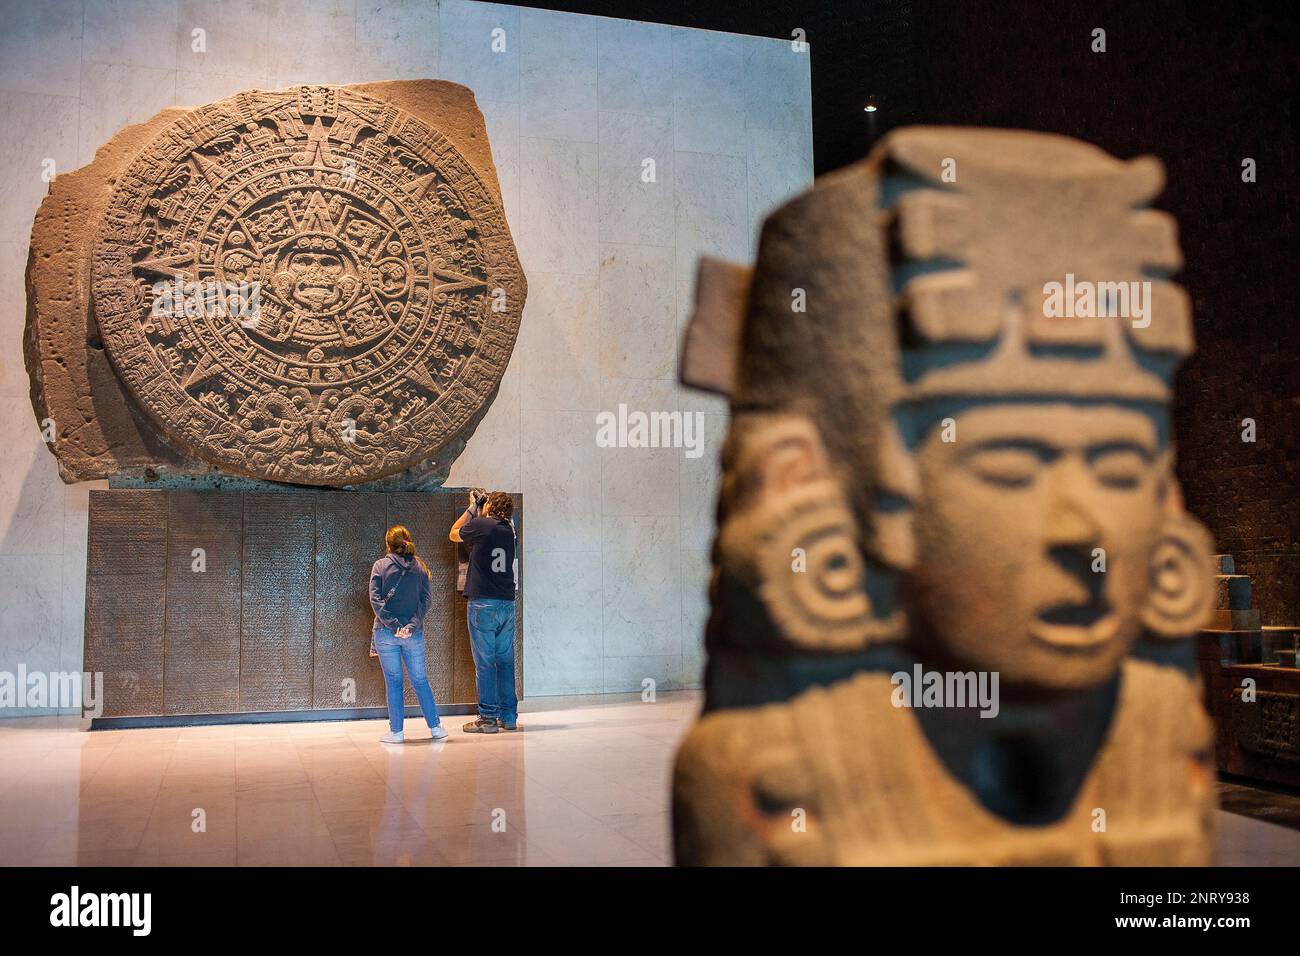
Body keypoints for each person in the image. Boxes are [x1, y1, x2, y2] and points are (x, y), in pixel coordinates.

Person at [369, 525, 448, 744]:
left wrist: (394, 626)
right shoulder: (419, 568)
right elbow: (426, 601)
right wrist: (411, 626)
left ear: (388, 544)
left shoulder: (380, 566)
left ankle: (396, 732)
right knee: (420, 680)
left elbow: (375, 600)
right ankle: (435, 728)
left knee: (394, 682)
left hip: (386, 633)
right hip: (413, 635)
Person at [449, 490, 518, 733]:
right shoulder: (510, 531)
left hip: (483, 604)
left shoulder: (480, 525)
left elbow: (454, 533)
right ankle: (509, 717)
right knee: (505, 661)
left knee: (485, 663)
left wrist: (473, 507)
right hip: (506, 603)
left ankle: (488, 718)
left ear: (490, 507)